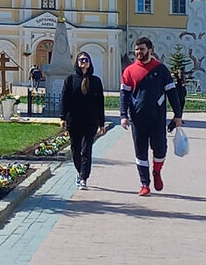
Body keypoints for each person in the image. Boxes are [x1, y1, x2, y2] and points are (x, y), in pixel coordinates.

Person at [120, 37, 183, 196]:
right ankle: (144, 184)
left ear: (150, 50)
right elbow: (124, 95)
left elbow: (172, 93)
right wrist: (123, 115)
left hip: (157, 118)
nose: (138, 52)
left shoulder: (161, 70)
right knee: (140, 152)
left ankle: (156, 171)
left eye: (141, 49)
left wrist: (177, 115)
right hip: (137, 119)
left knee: (160, 150)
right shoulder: (129, 71)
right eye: (136, 49)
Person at [60, 53, 105, 189]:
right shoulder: (70, 80)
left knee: (86, 149)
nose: (83, 62)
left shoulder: (96, 81)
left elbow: (100, 102)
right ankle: (80, 172)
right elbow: (64, 99)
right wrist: (63, 117)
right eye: (81, 60)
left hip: (90, 121)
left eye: (86, 60)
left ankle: (83, 177)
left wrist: (101, 123)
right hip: (74, 120)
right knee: (75, 149)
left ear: (90, 63)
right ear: (77, 63)